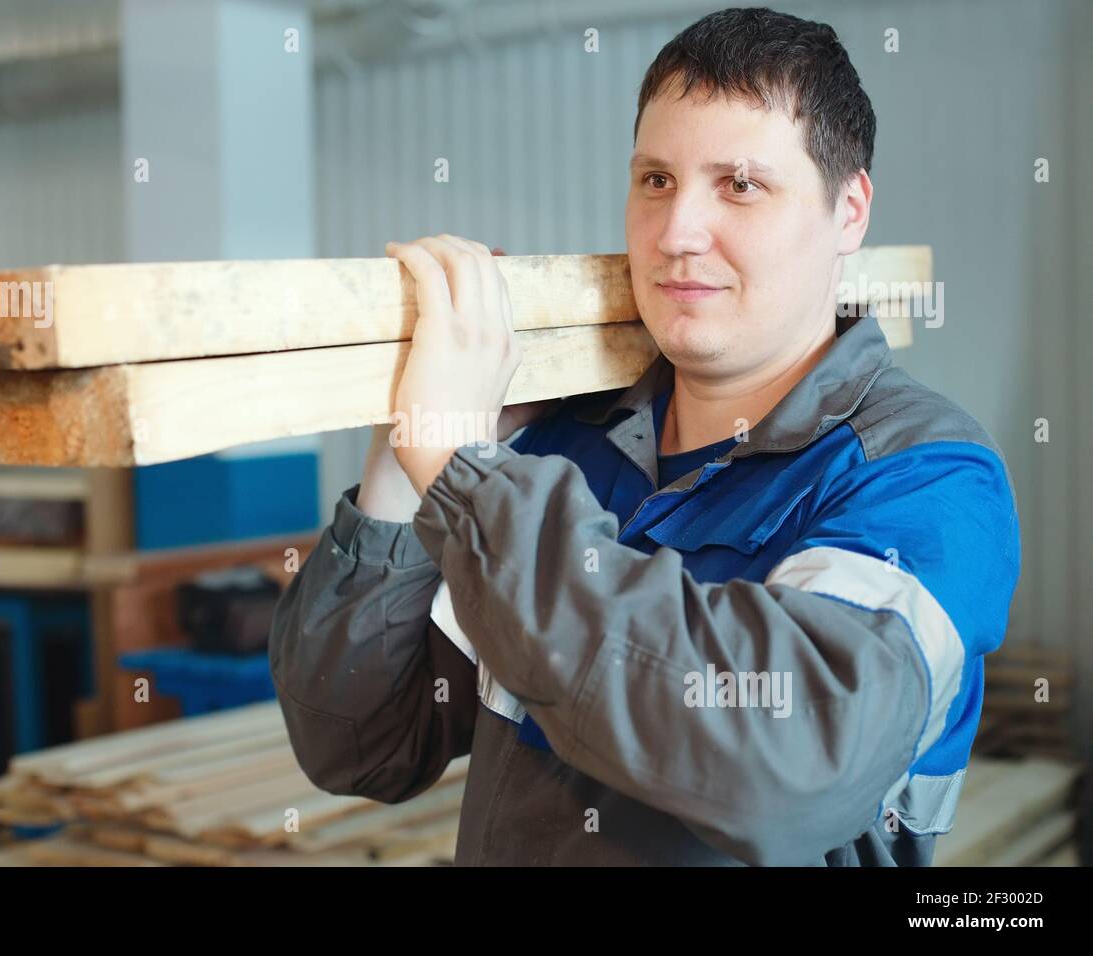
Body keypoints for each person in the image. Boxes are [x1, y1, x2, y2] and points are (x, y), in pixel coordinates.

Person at [269, 6, 1020, 866]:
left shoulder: (927, 481)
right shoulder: (561, 449)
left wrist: (461, 471)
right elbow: (362, 743)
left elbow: (785, 766)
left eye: (740, 184)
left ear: (848, 211)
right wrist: (408, 457)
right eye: (656, 180)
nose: (676, 235)